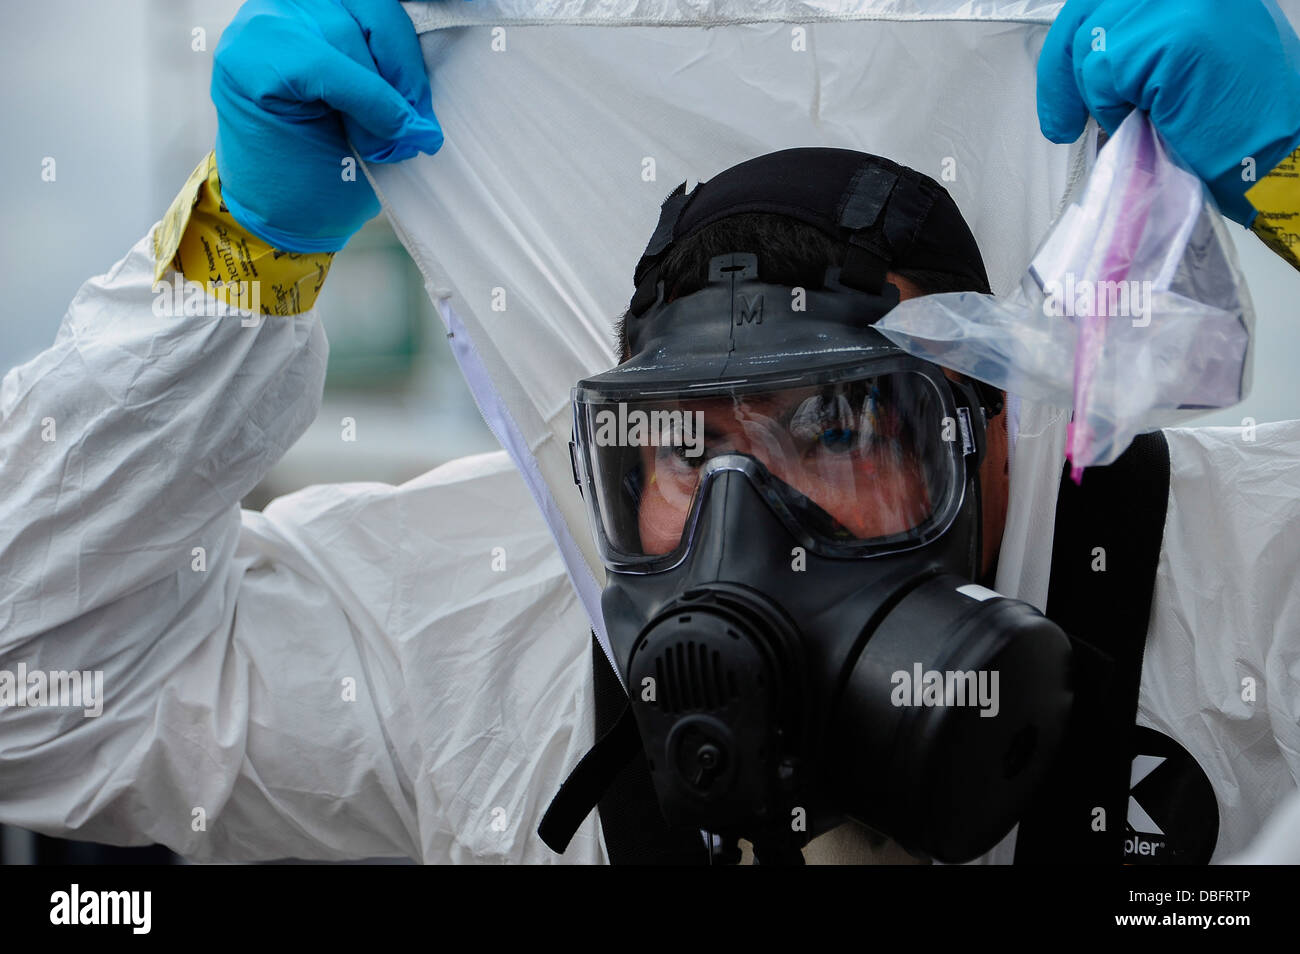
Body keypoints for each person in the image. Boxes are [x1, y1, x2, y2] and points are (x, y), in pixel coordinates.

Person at [1, 0, 1298, 864]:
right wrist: (235, 256)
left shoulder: (1231, 593)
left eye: (838, 422)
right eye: (678, 446)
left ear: (997, 434)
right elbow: (45, 696)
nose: (740, 518)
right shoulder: (478, 638)